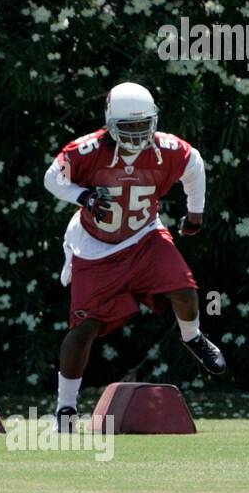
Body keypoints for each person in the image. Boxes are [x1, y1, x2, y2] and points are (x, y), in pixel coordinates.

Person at [42, 81, 226, 432]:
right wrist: (83, 196)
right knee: (84, 329)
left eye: (144, 126)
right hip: (96, 246)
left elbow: (195, 163)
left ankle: (193, 337)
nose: (138, 134)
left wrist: (196, 213)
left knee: (185, 289)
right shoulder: (87, 149)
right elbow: (52, 178)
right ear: (111, 124)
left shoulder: (166, 148)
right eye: (129, 127)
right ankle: (65, 410)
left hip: (144, 235)